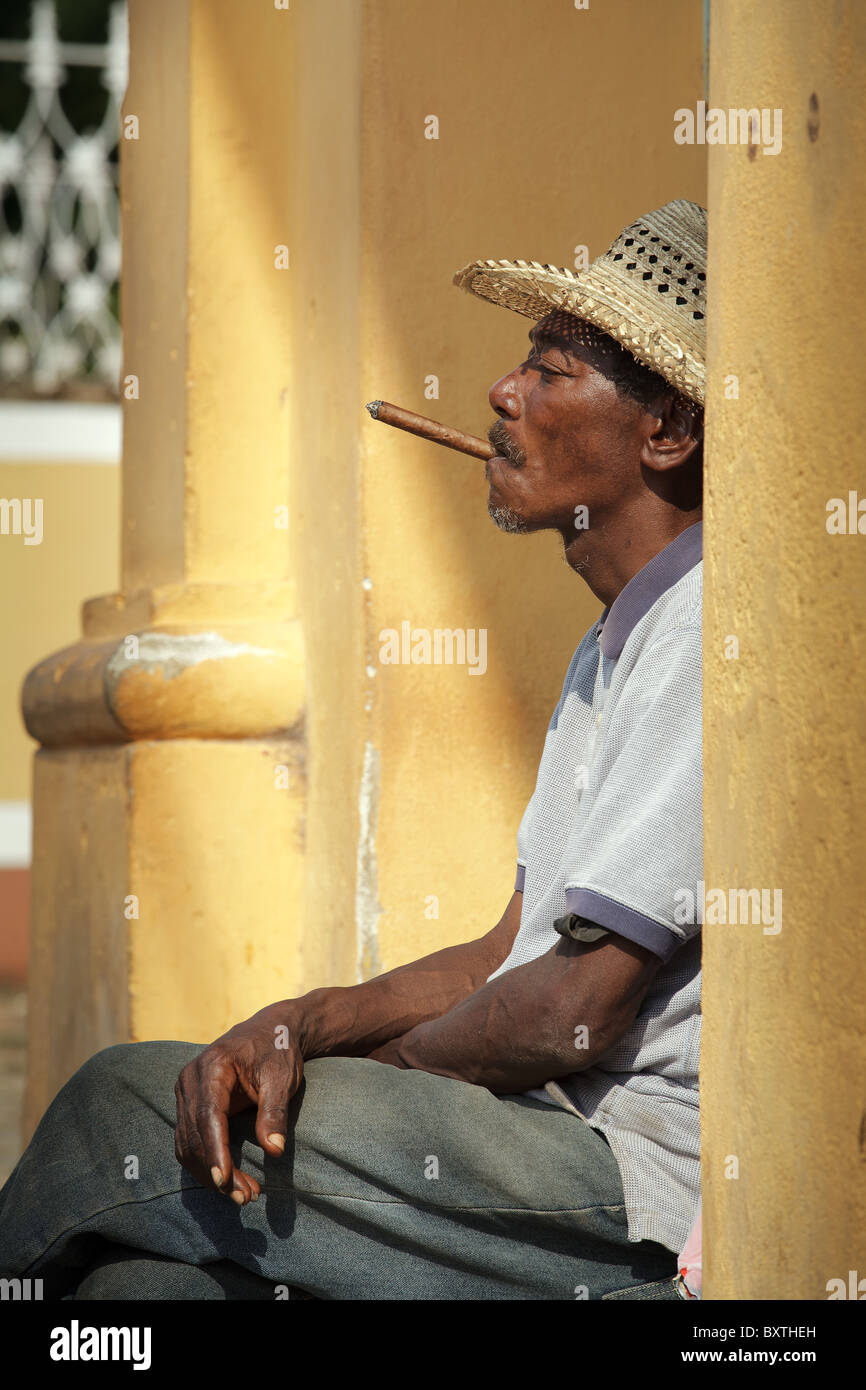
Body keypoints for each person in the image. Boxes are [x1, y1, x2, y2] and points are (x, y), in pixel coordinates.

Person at [0, 198, 706, 1301]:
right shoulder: (609, 647)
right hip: (531, 1136)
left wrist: (350, 1070)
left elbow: (574, 1006)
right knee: (141, 1299)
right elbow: (507, 951)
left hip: (616, 1169)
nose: (500, 393)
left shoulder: (704, 628)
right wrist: (296, 1021)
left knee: (117, 1106)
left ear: (665, 431)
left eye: (551, 370)